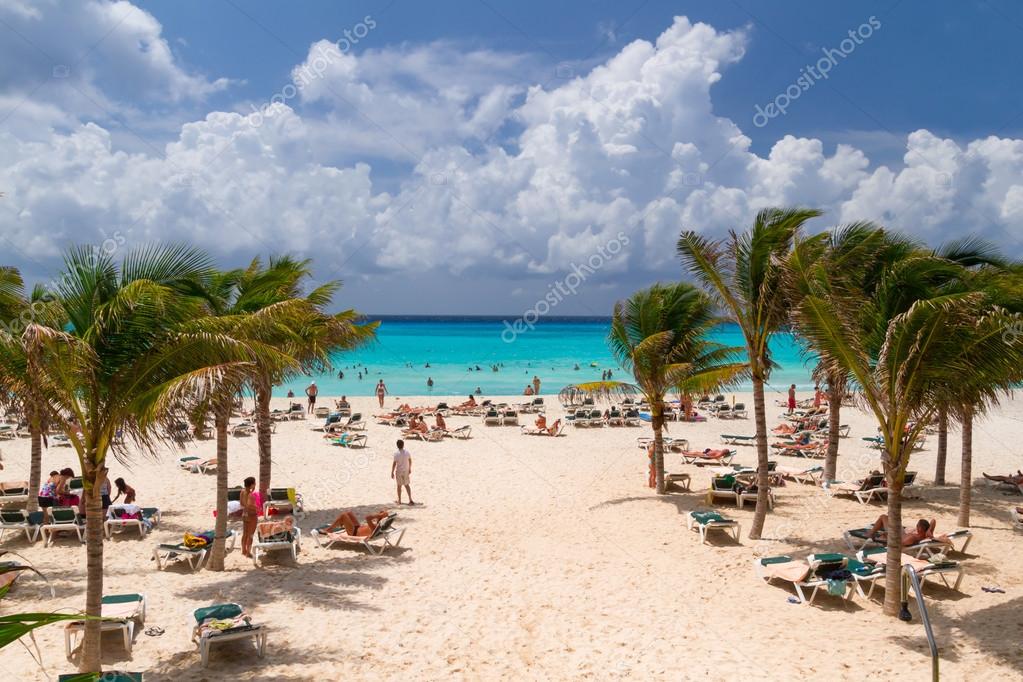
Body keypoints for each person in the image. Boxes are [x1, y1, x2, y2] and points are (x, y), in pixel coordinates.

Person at [865, 514, 948, 546]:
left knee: (883, 517)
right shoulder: (926, 534)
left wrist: (887, 536)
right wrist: (929, 530)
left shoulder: (913, 538)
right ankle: (873, 531)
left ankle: (871, 533)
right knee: (891, 518)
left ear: (920, 528)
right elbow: (933, 520)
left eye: (917, 525)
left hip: (895, 535)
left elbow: (899, 544)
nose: (916, 527)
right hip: (901, 533)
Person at [324, 509, 390, 536]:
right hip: (357, 527)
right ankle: (341, 522)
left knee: (343, 515)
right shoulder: (378, 526)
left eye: (380, 515)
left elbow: (367, 518)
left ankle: (329, 529)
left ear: (380, 519)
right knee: (348, 513)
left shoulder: (375, 527)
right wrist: (382, 515)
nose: (379, 514)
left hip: (353, 532)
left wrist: (380, 515)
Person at [240, 476, 259, 558]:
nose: (255, 484)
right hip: (252, 515)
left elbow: (242, 503)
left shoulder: (242, 491)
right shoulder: (251, 495)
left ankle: (243, 550)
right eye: (254, 483)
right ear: (251, 484)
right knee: (250, 535)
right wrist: (257, 508)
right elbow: (249, 505)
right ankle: (248, 553)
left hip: (245, 514)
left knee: (245, 534)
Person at [391, 439, 414, 505]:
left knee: (399, 486)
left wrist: (392, 472)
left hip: (399, 471)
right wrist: (409, 468)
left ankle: (399, 500)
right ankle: (410, 499)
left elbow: (394, 464)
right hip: (406, 471)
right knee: (407, 485)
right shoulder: (407, 452)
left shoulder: (396, 454)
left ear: (397, 445)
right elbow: (410, 461)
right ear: (403, 445)